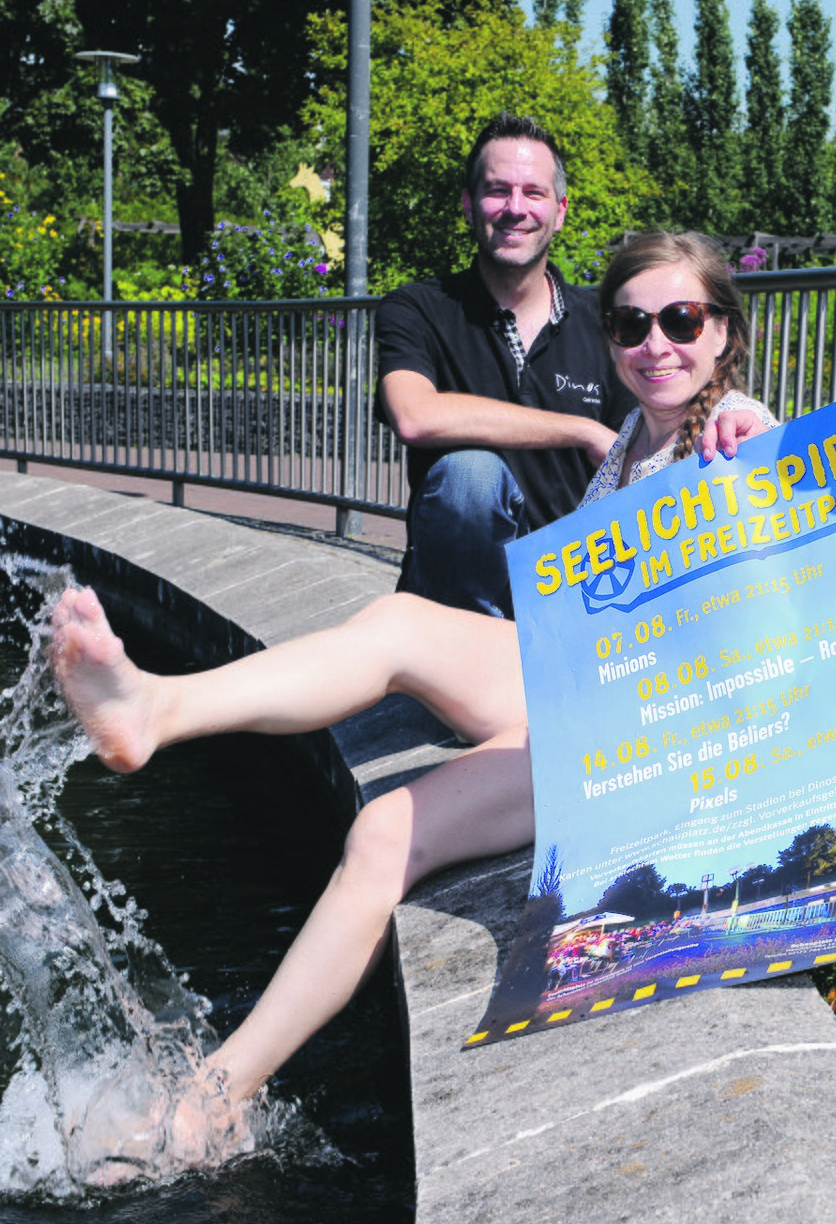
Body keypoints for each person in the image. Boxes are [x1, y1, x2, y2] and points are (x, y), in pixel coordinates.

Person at [53, 233, 771, 1174]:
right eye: (631, 323)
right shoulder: (634, 441)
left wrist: (757, 444)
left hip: (654, 743)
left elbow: (772, 537)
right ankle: (217, 1097)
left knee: (391, 745)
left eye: (683, 321)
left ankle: (157, 718)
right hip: (585, 698)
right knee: (390, 728)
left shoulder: (736, 437)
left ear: (725, 334)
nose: (655, 344)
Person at [377, 113, 638, 618]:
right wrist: (582, 430)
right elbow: (413, 415)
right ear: (469, 205)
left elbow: (653, 448)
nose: (515, 209)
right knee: (470, 473)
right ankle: (465, 656)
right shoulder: (418, 309)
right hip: (456, 603)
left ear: (559, 211)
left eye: (534, 193)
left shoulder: (609, 323)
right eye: (498, 191)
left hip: (575, 594)